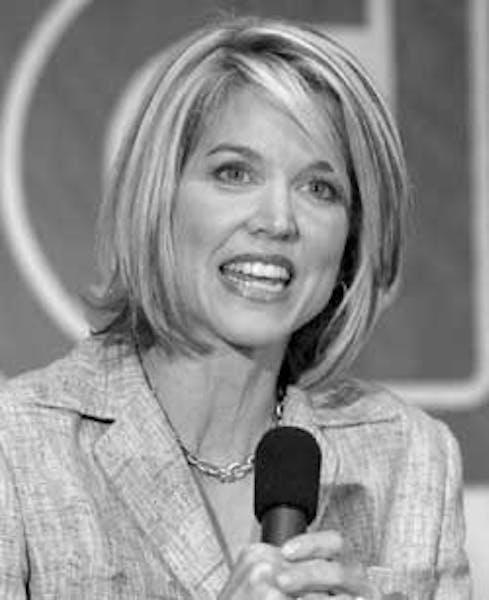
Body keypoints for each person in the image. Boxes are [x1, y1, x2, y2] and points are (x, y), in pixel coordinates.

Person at [0, 16, 471, 599]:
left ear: (352, 238)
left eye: (319, 188)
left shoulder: (411, 459)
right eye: (235, 173)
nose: (277, 220)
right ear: (160, 197)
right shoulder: (19, 446)